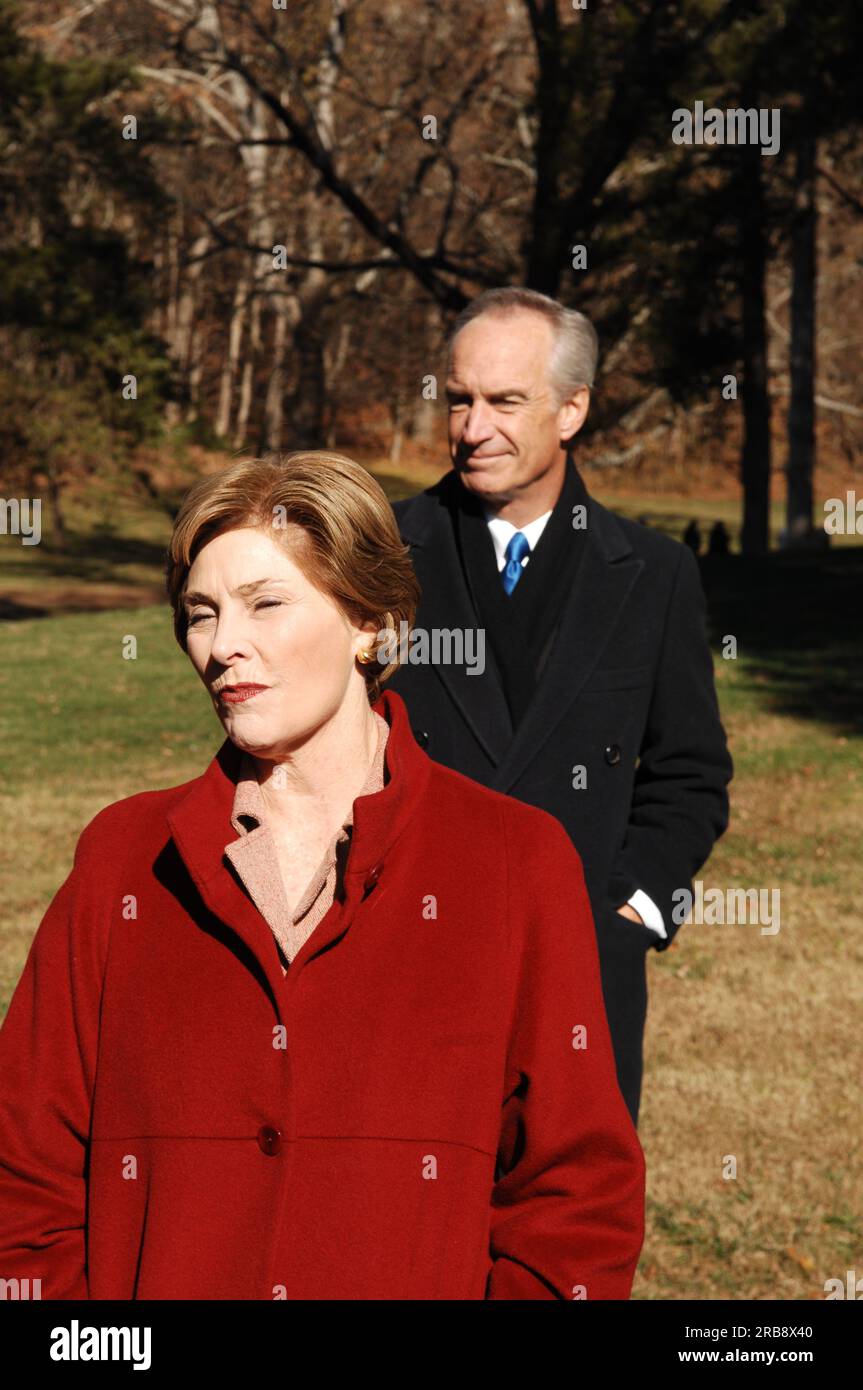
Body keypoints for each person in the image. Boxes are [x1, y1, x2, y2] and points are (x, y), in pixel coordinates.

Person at [0, 451, 644, 1301]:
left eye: (266, 604)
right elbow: (25, 1175)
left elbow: (575, 1194)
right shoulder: (123, 856)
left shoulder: (514, 861)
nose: (223, 646)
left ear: (369, 621)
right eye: (200, 614)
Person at [388, 288, 734, 1127]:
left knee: (569, 1238)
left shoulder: (652, 573)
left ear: (572, 409)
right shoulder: (379, 552)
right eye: (459, 399)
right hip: (399, 972)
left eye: (505, 401)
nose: (472, 428)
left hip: (581, 979)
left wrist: (633, 914)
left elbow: (689, 775)